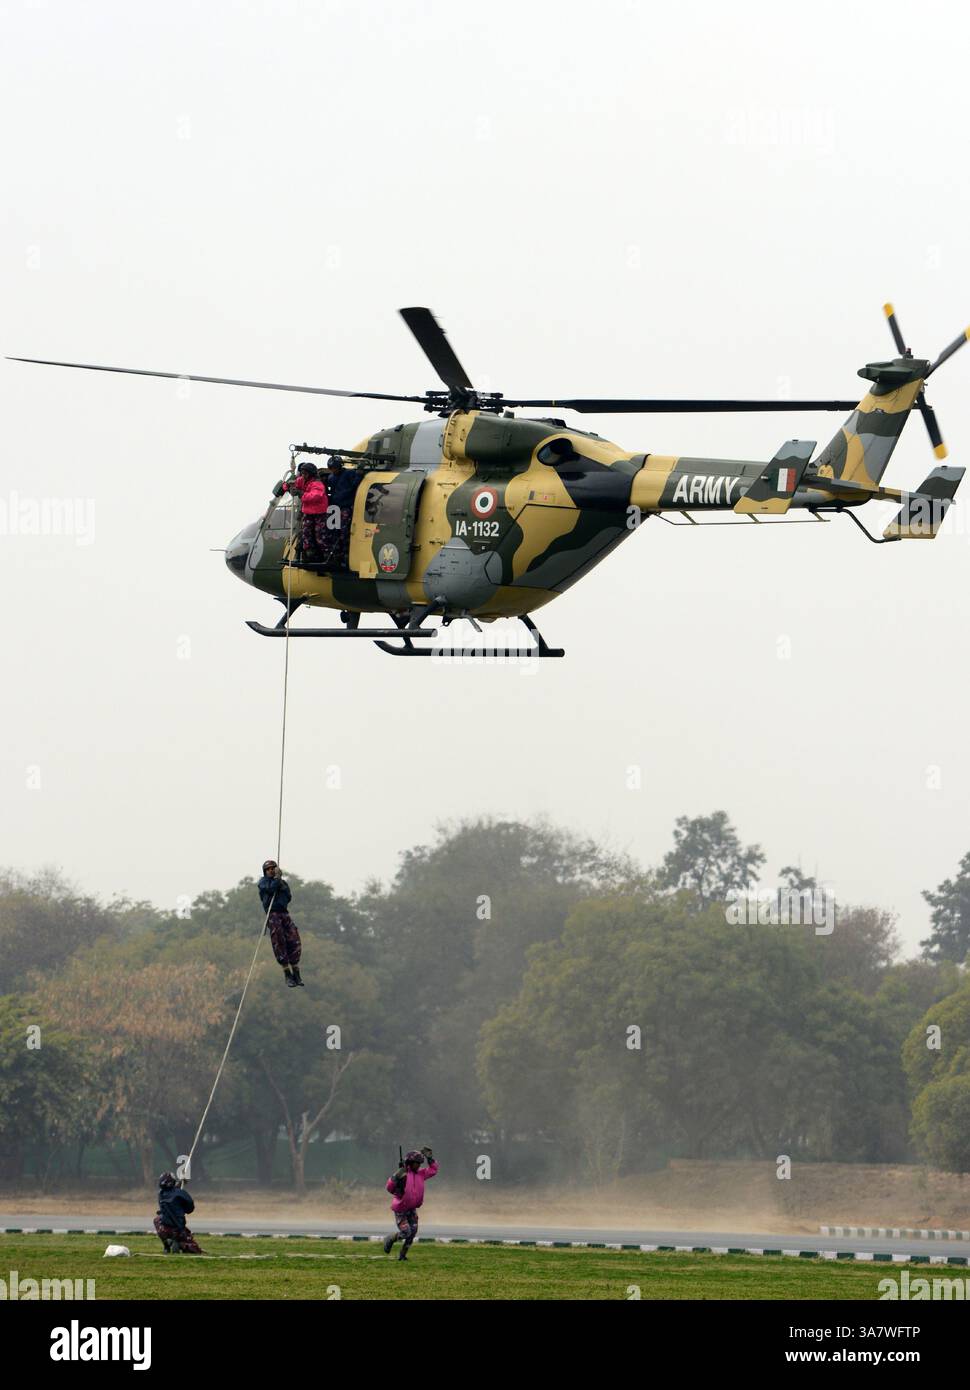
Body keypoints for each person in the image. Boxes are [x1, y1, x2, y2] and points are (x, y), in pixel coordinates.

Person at [383, 1146, 437, 1260]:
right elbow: (389, 1187)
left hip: (411, 1209)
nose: (419, 1166)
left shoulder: (421, 1174)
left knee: (413, 1232)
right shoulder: (402, 1174)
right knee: (406, 1232)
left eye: (420, 1163)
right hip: (401, 1209)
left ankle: (402, 1255)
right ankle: (391, 1239)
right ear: (410, 1162)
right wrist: (397, 1177)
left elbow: (433, 1170)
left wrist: (430, 1159)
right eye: (417, 1163)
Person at [257, 859, 304, 987]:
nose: (272, 870)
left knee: (294, 939)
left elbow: (288, 897)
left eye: (274, 868)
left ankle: (296, 972)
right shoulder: (263, 882)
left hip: (284, 913)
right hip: (273, 914)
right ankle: (287, 973)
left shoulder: (282, 883)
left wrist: (279, 883)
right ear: (265, 871)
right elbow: (270, 889)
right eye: (269, 869)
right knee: (279, 940)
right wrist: (276, 880)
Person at [275, 461, 330, 564]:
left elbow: (315, 496)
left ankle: (326, 555)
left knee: (320, 534)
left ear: (311, 474)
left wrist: (301, 493)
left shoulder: (317, 484)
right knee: (306, 533)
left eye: (305, 474)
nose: (303, 475)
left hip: (319, 513)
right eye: (303, 473)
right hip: (308, 512)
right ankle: (309, 553)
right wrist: (286, 486)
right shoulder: (303, 480)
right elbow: (294, 482)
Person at [153, 1172, 204, 1254]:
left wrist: (180, 1183)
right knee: (195, 1250)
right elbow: (190, 1209)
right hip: (179, 1230)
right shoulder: (181, 1193)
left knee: (157, 1219)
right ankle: (180, 1244)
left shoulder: (161, 1194)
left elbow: (172, 1192)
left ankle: (166, 1245)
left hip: (164, 1229)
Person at [324, 458, 360, 570]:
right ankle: (336, 554)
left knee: (344, 532)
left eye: (334, 468)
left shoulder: (349, 474)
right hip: (335, 508)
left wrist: (359, 475)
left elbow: (355, 485)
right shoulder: (331, 478)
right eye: (331, 468)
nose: (333, 470)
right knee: (333, 531)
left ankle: (345, 554)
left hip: (345, 507)